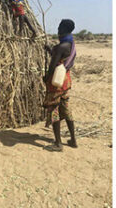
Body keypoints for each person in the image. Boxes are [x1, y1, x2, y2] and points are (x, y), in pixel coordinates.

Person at [42, 19, 77, 151]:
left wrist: (46, 77)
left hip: (56, 82)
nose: (58, 29)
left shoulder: (60, 47)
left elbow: (52, 66)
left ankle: (58, 143)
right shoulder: (71, 45)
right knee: (66, 109)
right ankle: (73, 140)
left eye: (59, 27)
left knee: (53, 110)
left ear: (63, 29)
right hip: (65, 80)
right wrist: (50, 51)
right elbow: (61, 59)